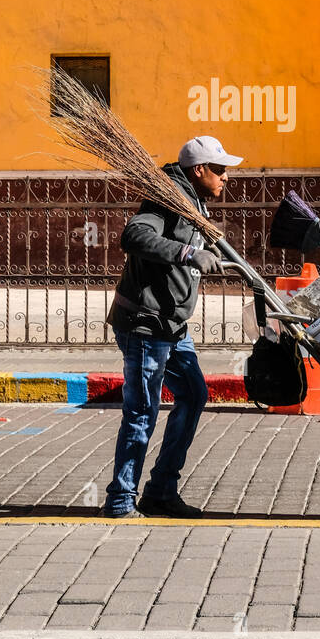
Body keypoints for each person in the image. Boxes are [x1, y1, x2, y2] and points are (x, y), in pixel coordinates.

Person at [102, 134, 243, 518]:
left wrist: (205, 251)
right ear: (199, 170)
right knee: (142, 412)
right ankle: (119, 500)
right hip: (146, 324)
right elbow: (134, 236)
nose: (225, 176)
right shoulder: (165, 199)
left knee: (194, 394)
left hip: (173, 326)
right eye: (219, 169)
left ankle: (161, 490)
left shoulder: (192, 201)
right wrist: (189, 254)